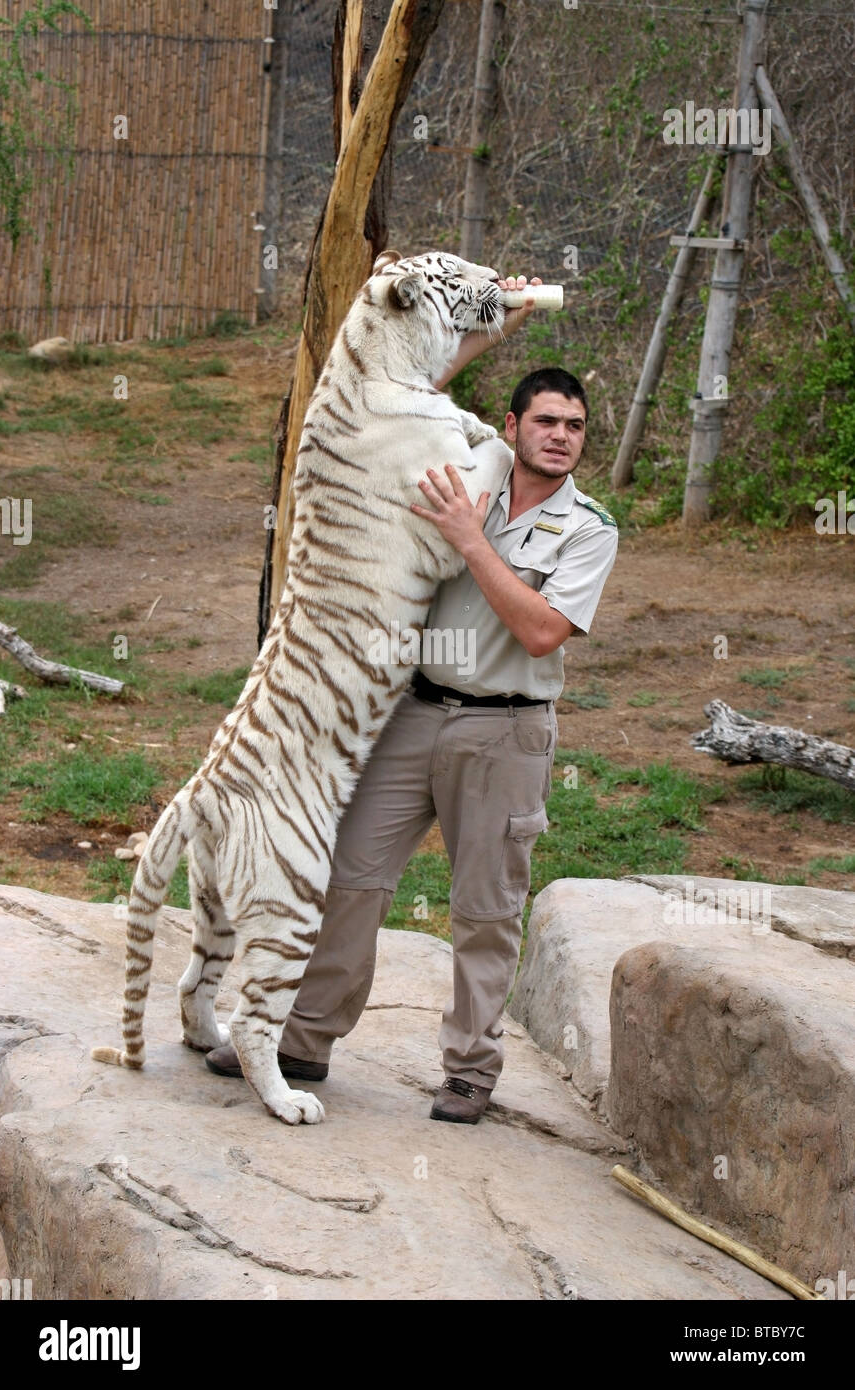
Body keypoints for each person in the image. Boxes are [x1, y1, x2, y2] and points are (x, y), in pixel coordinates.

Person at [206, 276, 619, 1123]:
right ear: (512, 427)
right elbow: (403, 389)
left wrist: (471, 542)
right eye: (545, 420)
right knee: (351, 875)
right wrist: (485, 329)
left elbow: (542, 632)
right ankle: (304, 1039)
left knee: (486, 909)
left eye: (575, 427)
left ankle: (468, 1070)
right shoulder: (469, 461)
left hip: (505, 732)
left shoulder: (589, 528)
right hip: (413, 710)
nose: (561, 437)